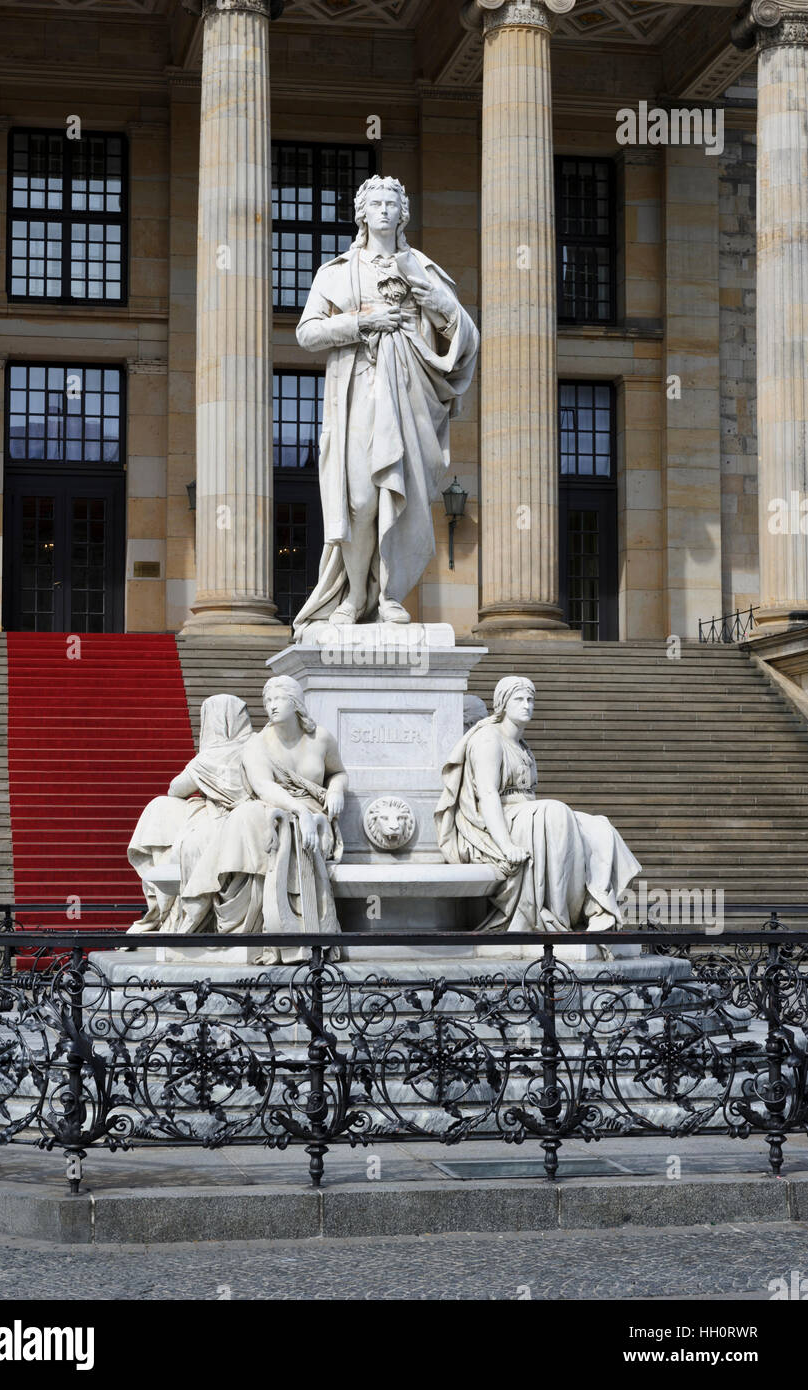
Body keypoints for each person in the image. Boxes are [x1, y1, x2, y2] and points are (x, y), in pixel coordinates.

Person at [293, 174, 479, 636]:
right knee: (359, 498)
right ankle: (357, 595)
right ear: (361, 212)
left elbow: (464, 334)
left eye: (391, 203)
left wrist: (430, 294)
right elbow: (307, 332)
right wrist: (362, 321)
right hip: (357, 393)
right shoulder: (336, 271)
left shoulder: (423, 268)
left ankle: (391, 597)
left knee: (404, 497)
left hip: (408, 395)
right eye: (373, 203)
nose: (382, 210)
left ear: (403, 213)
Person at [435, 676, 641, 934]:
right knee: (554, 810)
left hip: (526, 815)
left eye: (531, 699)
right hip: (495, 822)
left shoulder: (521, 745)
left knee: (597, 825)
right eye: (519, 699)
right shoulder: (488, 739)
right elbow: (488, 795)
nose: (527, 705)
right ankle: (556, 915)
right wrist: (506, 845)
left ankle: (597, 907)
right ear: (502, 705)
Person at [178, 676, 348, 964]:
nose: (271, 707)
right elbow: (263, 787)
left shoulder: (321, 738)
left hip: (317, 820)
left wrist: (336, 789)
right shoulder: (258, 744)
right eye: (266, 701)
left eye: (278, 699)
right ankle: (257, 924)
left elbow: (338, 772)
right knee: (255, 819)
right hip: (279, 811)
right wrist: (300, 811)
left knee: (283, 830)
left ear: (295, 702)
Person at [127, 694, 252, 934]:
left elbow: (176, 788)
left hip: (231, 819)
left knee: (162, 809)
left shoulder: (211, 756)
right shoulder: (257, 745)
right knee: (160, 807)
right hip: (236, 816)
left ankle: (165, 910)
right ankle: (165, 908)